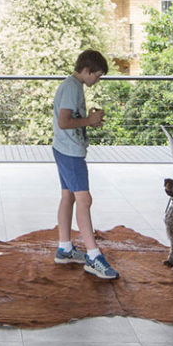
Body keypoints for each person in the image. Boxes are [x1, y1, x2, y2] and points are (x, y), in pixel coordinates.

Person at [51, 49, 119, 279]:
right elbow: (63, 122)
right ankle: (92, 255)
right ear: (87, 70)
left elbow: (69, 118)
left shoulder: (73, 85)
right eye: (97, 76)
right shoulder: (71, 87)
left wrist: (87, 119)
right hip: (70, 152)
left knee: (68, 197)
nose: (97, 81)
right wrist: (89, 120)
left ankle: (65, 249)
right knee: (84, 199)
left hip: (63, 149)